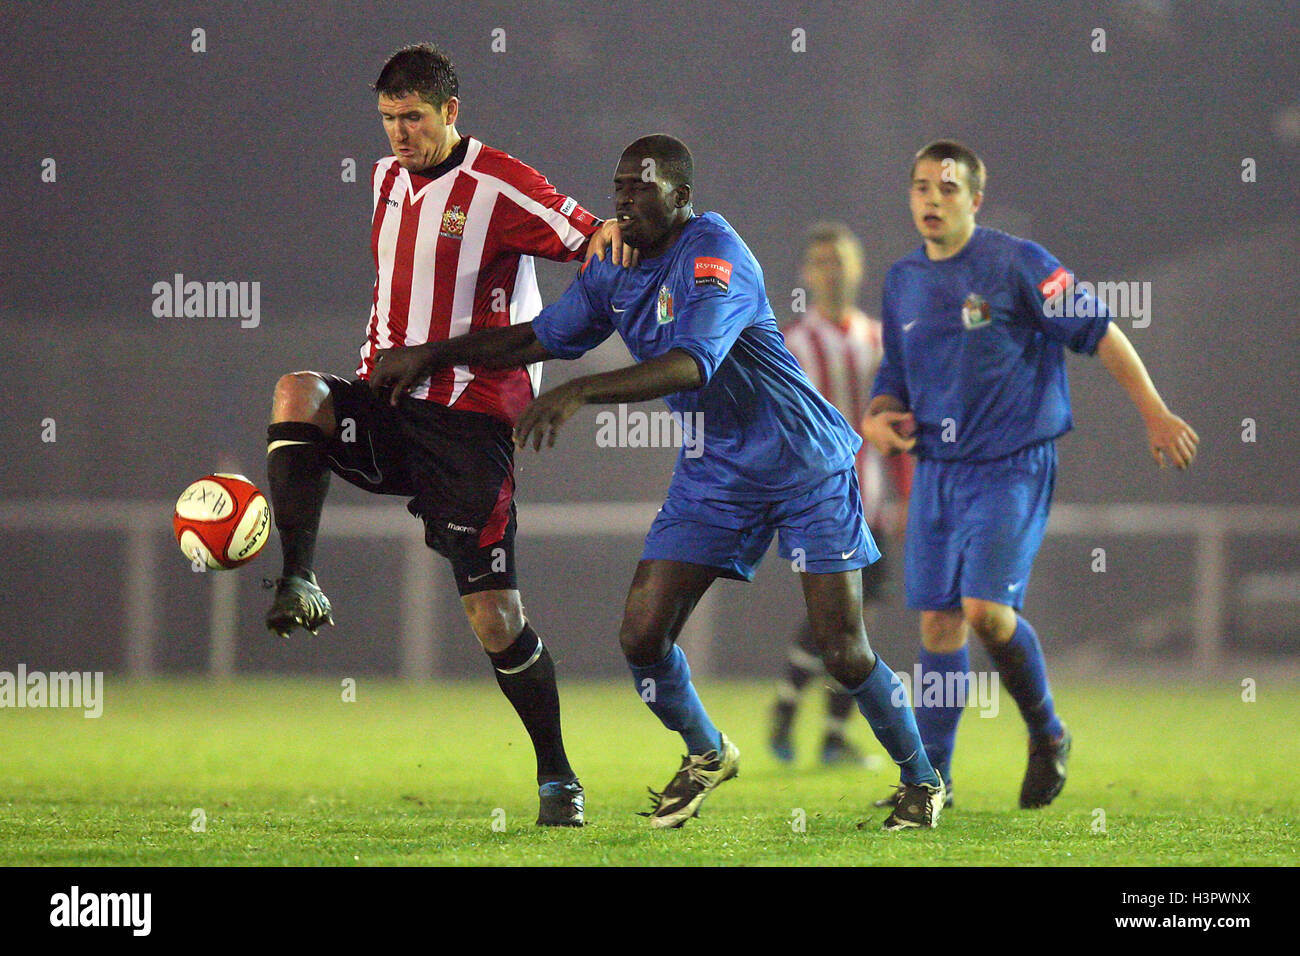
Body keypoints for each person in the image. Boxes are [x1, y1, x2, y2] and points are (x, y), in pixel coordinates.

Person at [372, 134, 948, 831]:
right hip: (716, 471)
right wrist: (432, 354)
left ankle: (922, 779)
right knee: (642, 635)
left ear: (681, 198)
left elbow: (691, 363)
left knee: (842, 648)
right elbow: (536, 339)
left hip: (804, 463)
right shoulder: (613, 266)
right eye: (618, 187)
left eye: (641, 189)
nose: (623, 200)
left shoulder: (715, 254)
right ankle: (707, 752)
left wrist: (581, 392)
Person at [262, 44, 626, 827]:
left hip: (469, 422)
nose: (400, 133)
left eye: (414, 118)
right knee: (298, 393)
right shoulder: (386, 177)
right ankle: (299, 579)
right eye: (389, 118)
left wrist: (638, 258)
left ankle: (558, 776)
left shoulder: (500, 182)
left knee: (494, 618)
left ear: (450, 112)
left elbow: (593, 236)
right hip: (389, 405)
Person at [863, 140, 1199, 810]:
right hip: (935, 470)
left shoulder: (1017, 262)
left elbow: (1099, 329)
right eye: (922, 186)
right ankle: (932, 780)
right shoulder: (902, 280)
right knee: (937, 626)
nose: (933, 198)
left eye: (949, 188)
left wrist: (1155, 411)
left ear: (975, 199)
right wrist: (877, 418)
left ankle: (1047, 733)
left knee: (985, 612)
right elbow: (892, 379)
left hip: (1012, 465)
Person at [770, 222, 913, 767]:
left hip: (872, 494)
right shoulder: (791, 344)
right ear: (807, 273)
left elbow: (898, 422)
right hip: (819, 494)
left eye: (839, 261)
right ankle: (797, 715)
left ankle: (825, 732)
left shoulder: (879, 339)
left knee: (860, 614)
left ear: (856, 268)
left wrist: (903, 492)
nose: (830, 271)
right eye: (820, 262)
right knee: (836, 614)